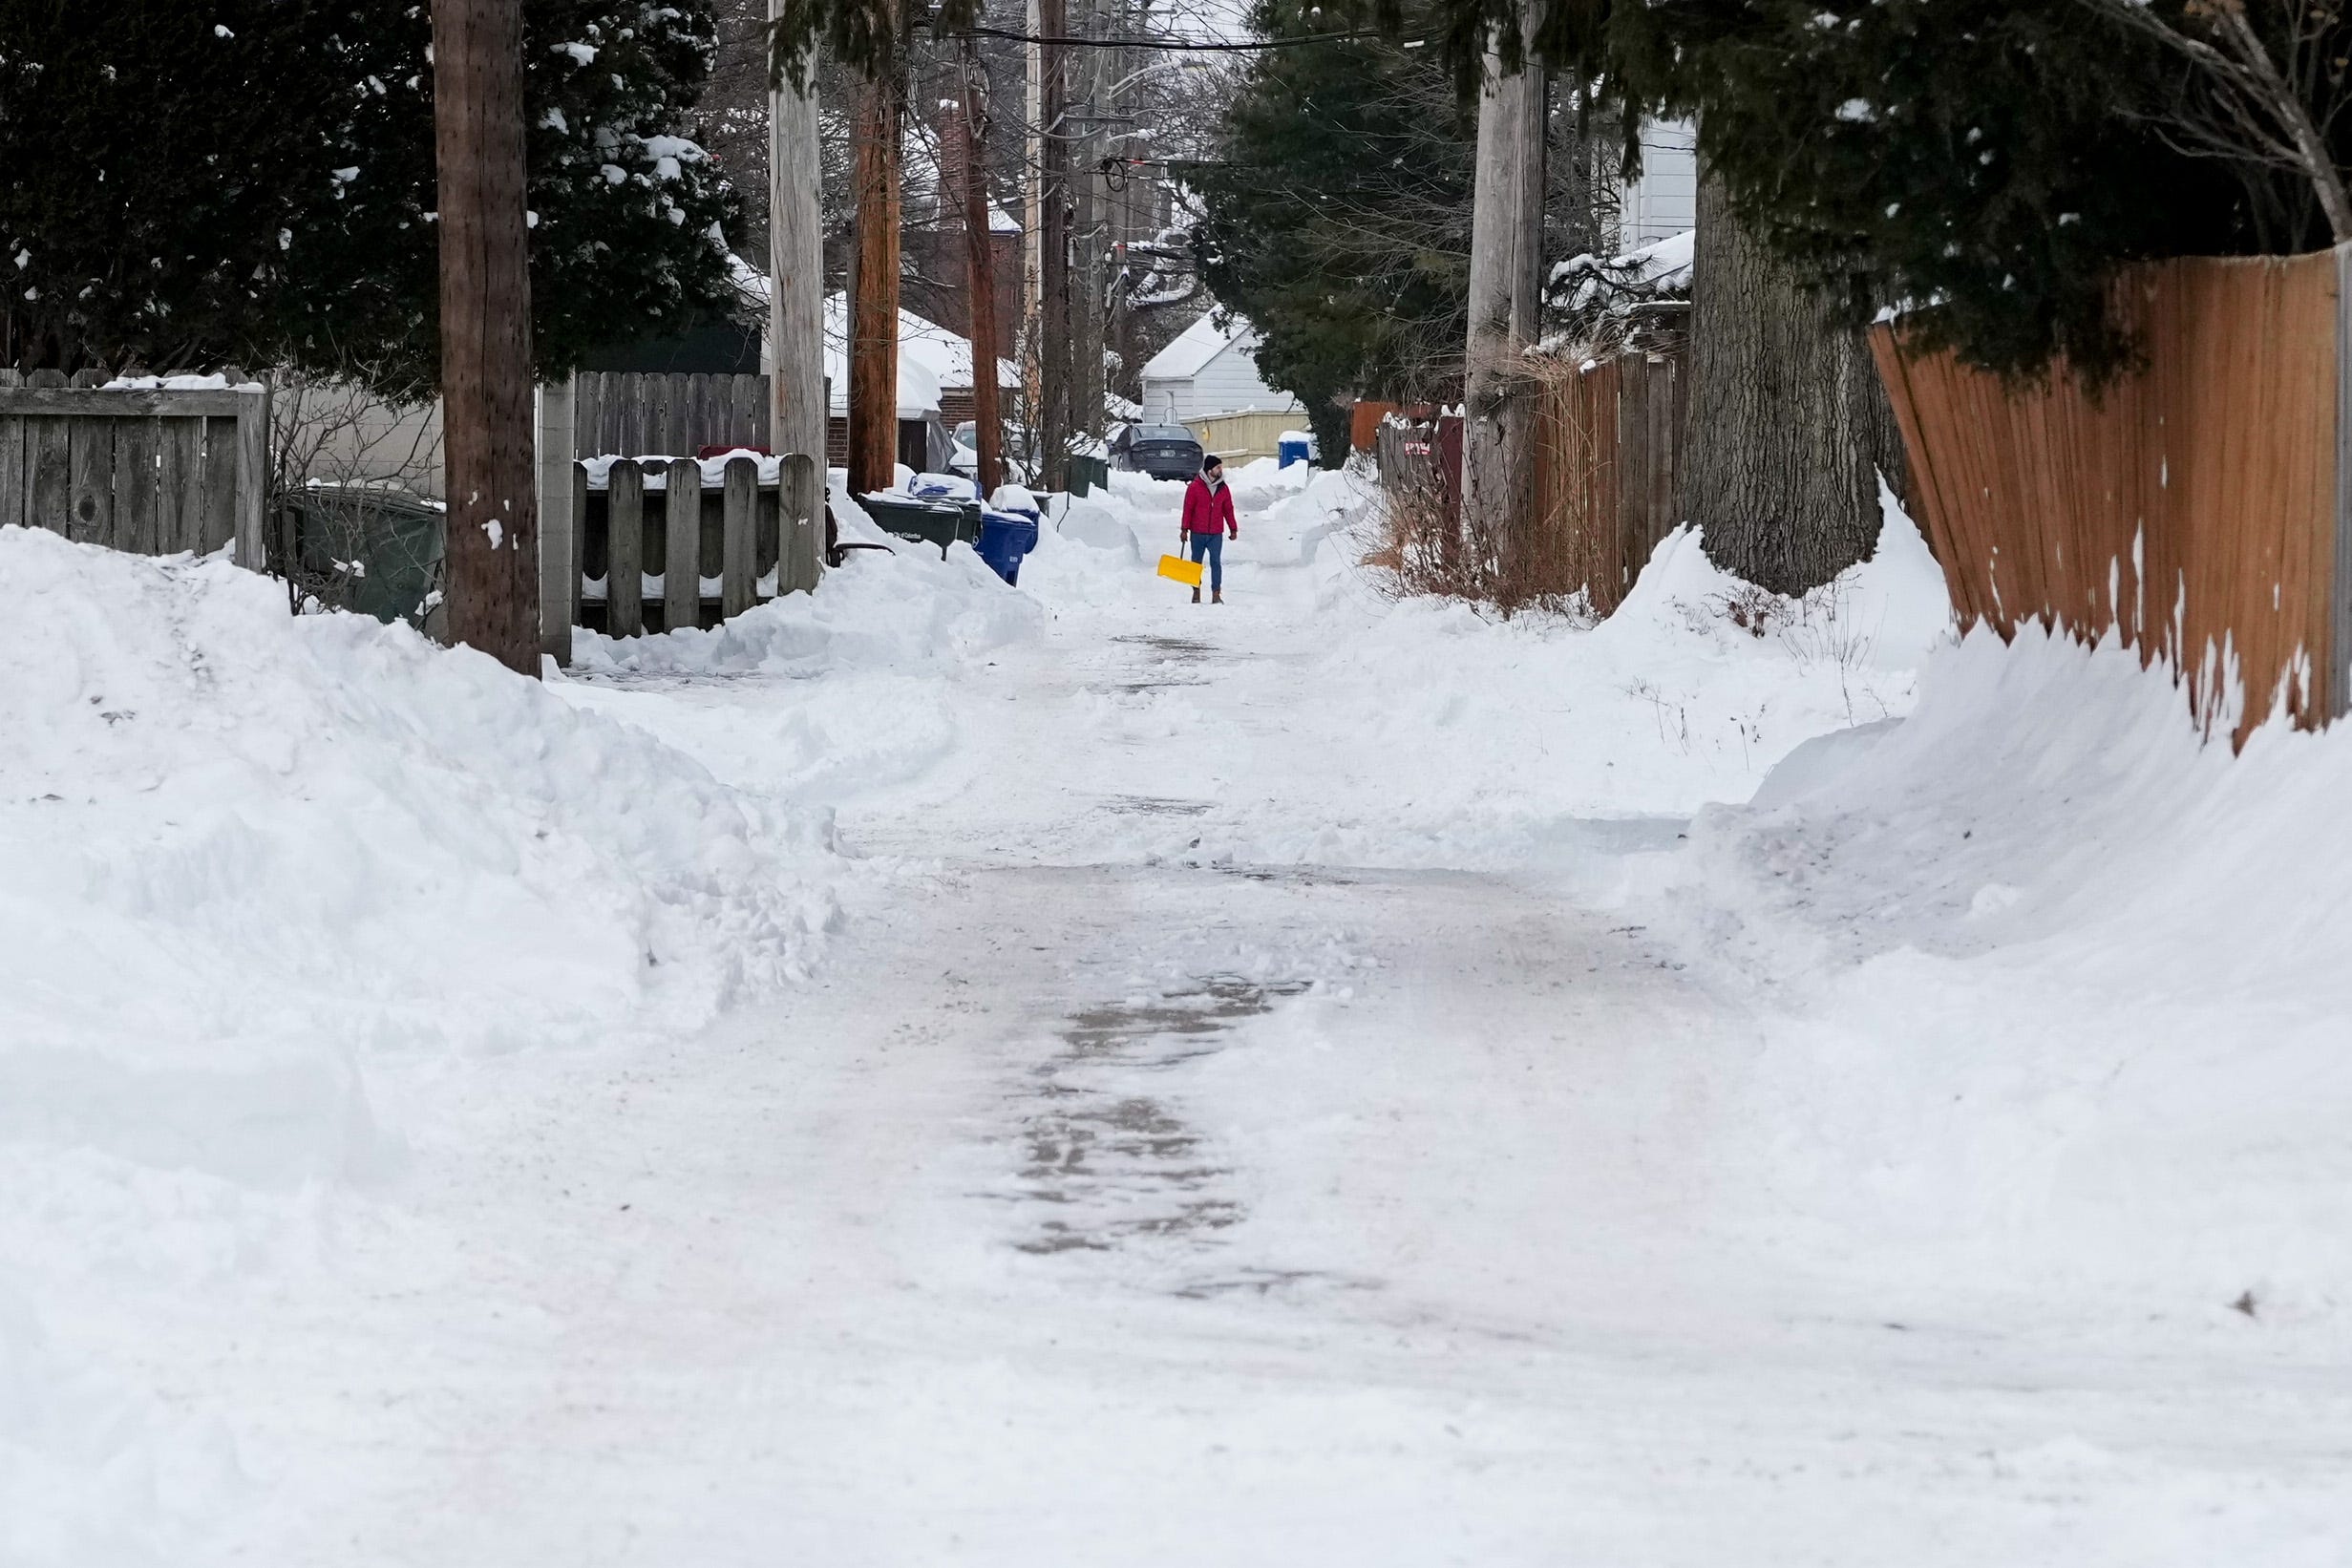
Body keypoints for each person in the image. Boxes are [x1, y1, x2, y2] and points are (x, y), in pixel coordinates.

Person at [1179, 455, 1239, 604]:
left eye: (1221, 467)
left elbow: (1228, 510)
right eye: (1218, 467)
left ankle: (1216, 593)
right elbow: (1188, 509)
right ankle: (1196, 592)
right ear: (1209, 469)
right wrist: (1184, 529)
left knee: (1216, 562)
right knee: (1196, 563)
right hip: (1197, 532)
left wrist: (1233, 528)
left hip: (1215, 533)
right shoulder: (1195, 487)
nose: (1221, 470)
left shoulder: (1223, 488)